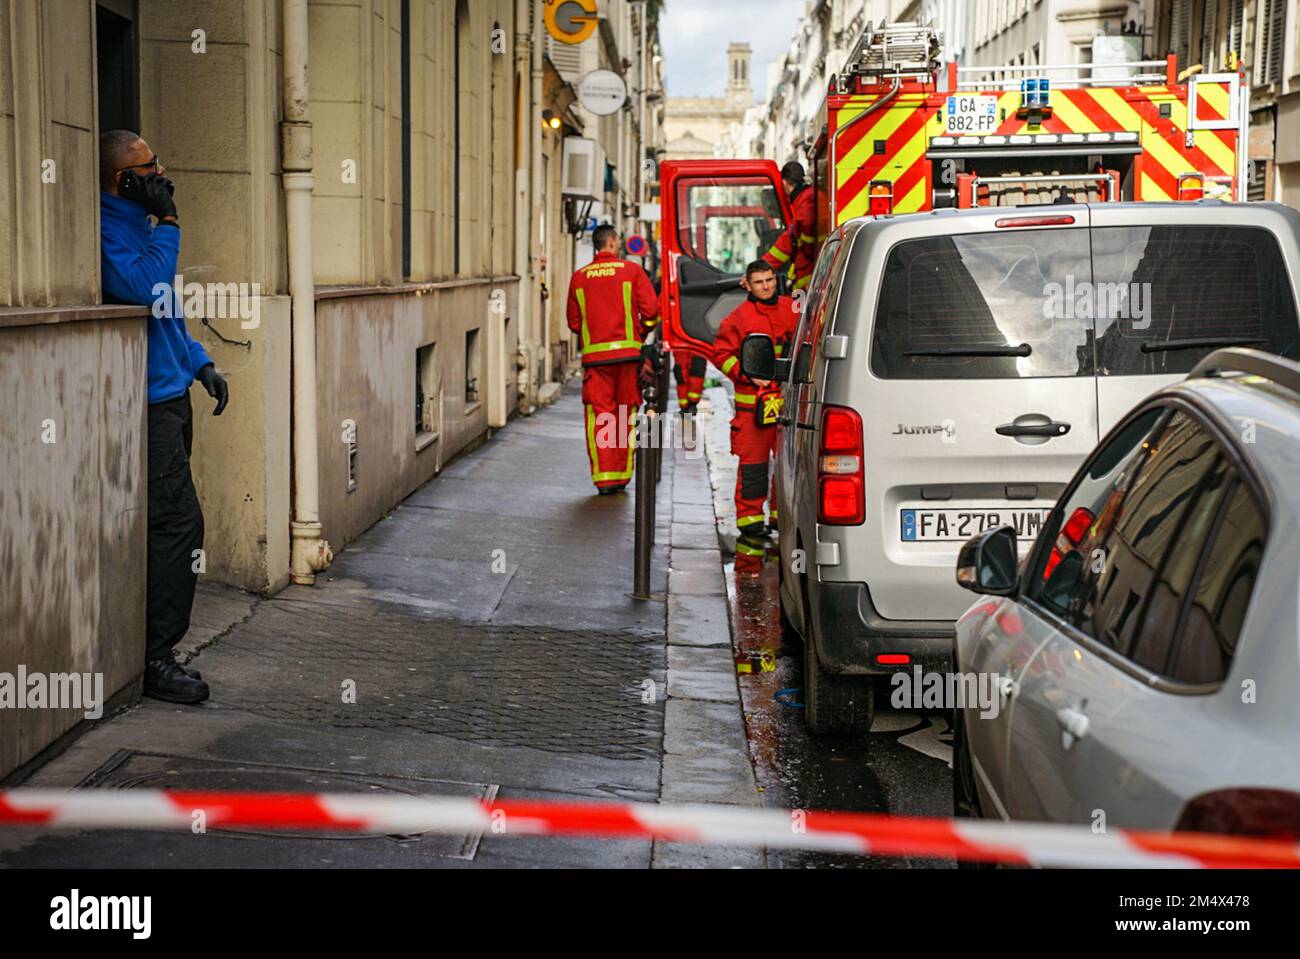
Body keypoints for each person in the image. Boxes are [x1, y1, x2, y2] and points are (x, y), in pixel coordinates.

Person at [100, 129, 227, 705]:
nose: (162, 173)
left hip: (174, 398)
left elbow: (168, 313)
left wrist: (201, 363)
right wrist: (171, 222)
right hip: (148, 410)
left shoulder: (139, 227)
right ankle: (155, 658)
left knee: (167, 527)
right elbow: (149, 288)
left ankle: (155, 650)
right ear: (123, 180)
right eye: (150, 167)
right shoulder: (106, 230)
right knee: (180, 525)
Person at [713, 260, 799, 568]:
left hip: (788, 403)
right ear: (746, 285)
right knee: (753, 468)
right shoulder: (738, 319)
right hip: (753, 409)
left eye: (769, 280)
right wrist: (747, 374)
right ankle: (749, 522)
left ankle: (779, 518)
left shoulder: (793, 310)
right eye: (759, 282)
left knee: (788, 466)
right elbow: (721, 355)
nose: (766, 286)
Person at [565, 225, 661, 493]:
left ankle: (605, 478)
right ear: (614, 242)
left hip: (596, 361)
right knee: (624, 414)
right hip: (628, 357)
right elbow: (652, 310)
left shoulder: (579, 277)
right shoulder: (631, 272)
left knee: (600, 416)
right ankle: (621, 475)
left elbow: (574, 322)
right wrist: (642, 331)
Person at [762, 160, 819, 293]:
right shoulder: (804, 199)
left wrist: (760, 268)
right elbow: (787, 242)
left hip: (808, 281)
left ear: (784, 183)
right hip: (808, 281)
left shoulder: (806, 201)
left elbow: (795, 237)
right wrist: (761, 268)